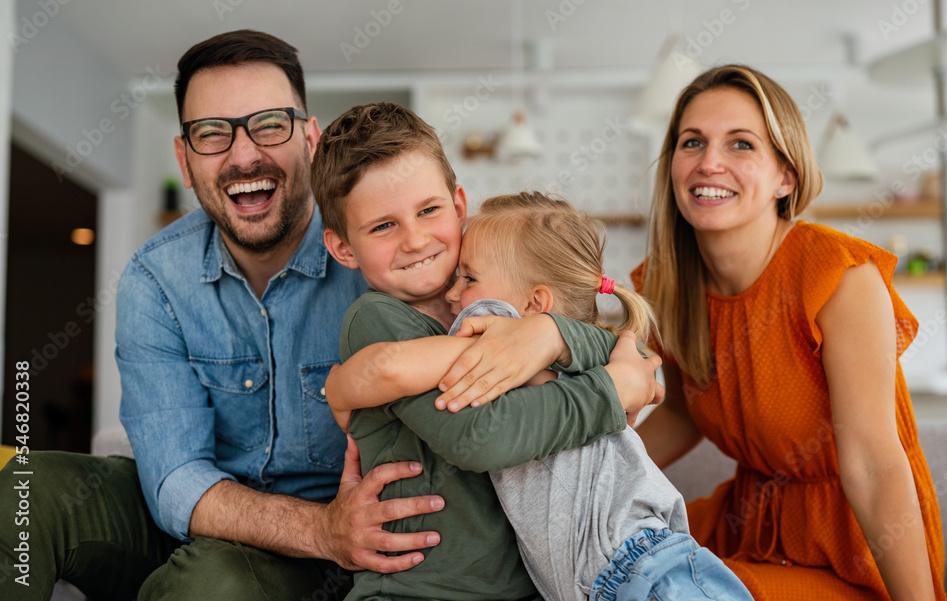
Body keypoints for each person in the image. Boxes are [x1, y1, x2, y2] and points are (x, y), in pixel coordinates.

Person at [0, 30, 571, 601]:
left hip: (337, 540)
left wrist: (555, 334)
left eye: (269, 124)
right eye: (212, 133)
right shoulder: (155, 279)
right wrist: (321, 531)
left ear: (310, 137)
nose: (243, 154)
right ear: (184, 156)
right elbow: (175, 478)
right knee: (28, 488)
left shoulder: (387, 246)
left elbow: (543, 304)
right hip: (231, 519)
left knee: (213, 582)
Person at [311, 102, 665, 601]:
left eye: (428, 210)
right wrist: (607, 391)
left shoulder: (503, 301)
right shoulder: (378, 322)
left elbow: (650, 374)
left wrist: (551, 335)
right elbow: (480, 440)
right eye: (382, 227)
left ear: (458, 205)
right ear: (344, 247)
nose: (414, 240)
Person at [329, 190, 756, 601]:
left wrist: (346, 386)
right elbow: (634, 357)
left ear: (534, 304)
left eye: (470, 277)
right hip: (617, 575)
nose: (453, 294)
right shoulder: (580, 353)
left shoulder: (495, 325)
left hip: (643, 565)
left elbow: (401, 369)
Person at [631, 64, 947, 600]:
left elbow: (873, 464)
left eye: (740, 145)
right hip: (752, 527)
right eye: (692, 142)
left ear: (787, 176)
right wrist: (585, 481)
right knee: (601, 566)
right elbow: (683, 411)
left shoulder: (837, 275)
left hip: (854, 554)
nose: (710, 162)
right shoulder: (665, 285)